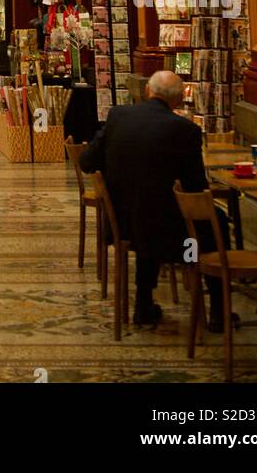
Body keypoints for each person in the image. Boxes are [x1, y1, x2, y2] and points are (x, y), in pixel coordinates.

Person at [80, 70, 228, 329]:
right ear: (179, 100)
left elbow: (87, 161)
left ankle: (143, 302)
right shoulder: (186, 130)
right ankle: (218, 309)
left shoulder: (118, 116)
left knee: (148, 208)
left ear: (148, 90)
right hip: (170, 232)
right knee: (216, 222)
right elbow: (196, 189)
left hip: (123, 224)